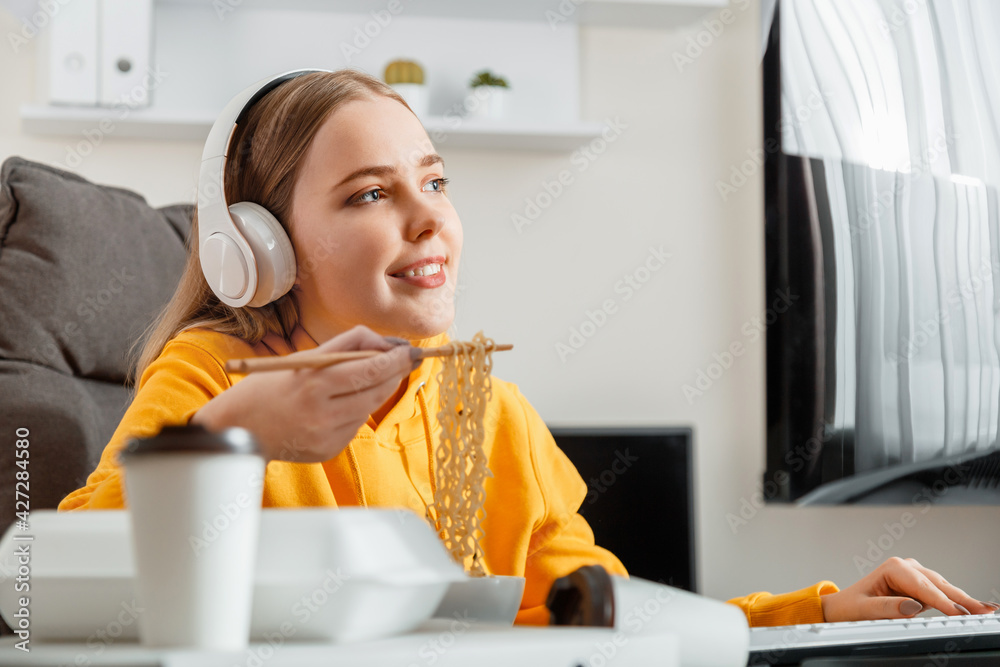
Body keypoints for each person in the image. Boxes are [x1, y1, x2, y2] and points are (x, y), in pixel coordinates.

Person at [58, 69, 999, 627]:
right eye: (371, 194)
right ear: (261, 251)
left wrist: (819, 610)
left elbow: (601, 612)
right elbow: (49, 594)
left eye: (435, 180)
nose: (432, 218)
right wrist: (233, 438)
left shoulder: (474, 408)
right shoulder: (216, 376)